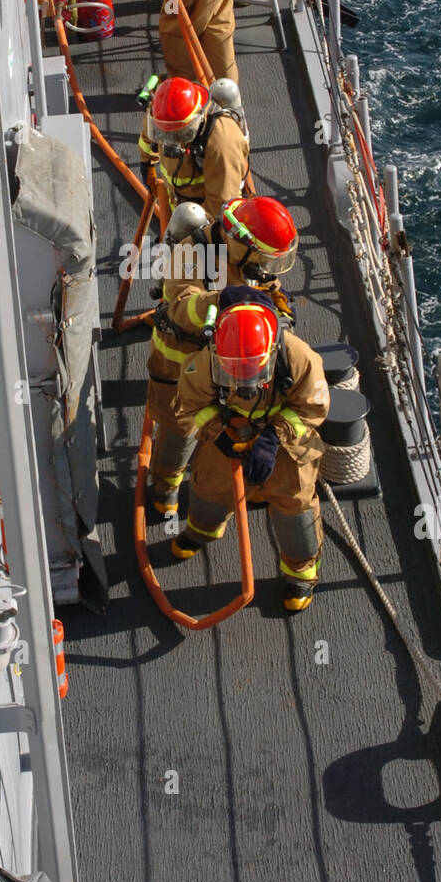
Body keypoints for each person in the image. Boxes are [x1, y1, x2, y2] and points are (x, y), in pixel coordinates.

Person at [172, 296, 330, 613]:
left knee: (295, 504)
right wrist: (218, 435)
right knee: (209, 488)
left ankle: (300, 573)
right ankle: (202, 531)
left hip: (284, 447)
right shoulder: (201, 363)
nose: (243, 381)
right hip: (228, 433)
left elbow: (313, 407)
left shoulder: (299, 357)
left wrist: (272, 438)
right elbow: (187, 408)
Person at [146, 197, 299, 517]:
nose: (266, 265)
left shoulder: (248, 257)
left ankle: (240, 483)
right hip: (180, 362)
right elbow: (181, 308)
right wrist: (223, 300)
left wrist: (279, 306)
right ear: (242, 243)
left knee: (238, 423)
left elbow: (267, 283)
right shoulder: (190, 253)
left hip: (230, 362)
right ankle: (165, 488)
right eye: (264, 257)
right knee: (180, 429)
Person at [137, 77, 249, 219]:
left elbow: (219, 205)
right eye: (164, 132)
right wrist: (147, 165)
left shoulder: (222, 143)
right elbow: (148, 137)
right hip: (177, 202)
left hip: (205, 213)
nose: (168, 142)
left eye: (176, 134)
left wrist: (186, 232)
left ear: (196, 119)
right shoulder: (160, 112)